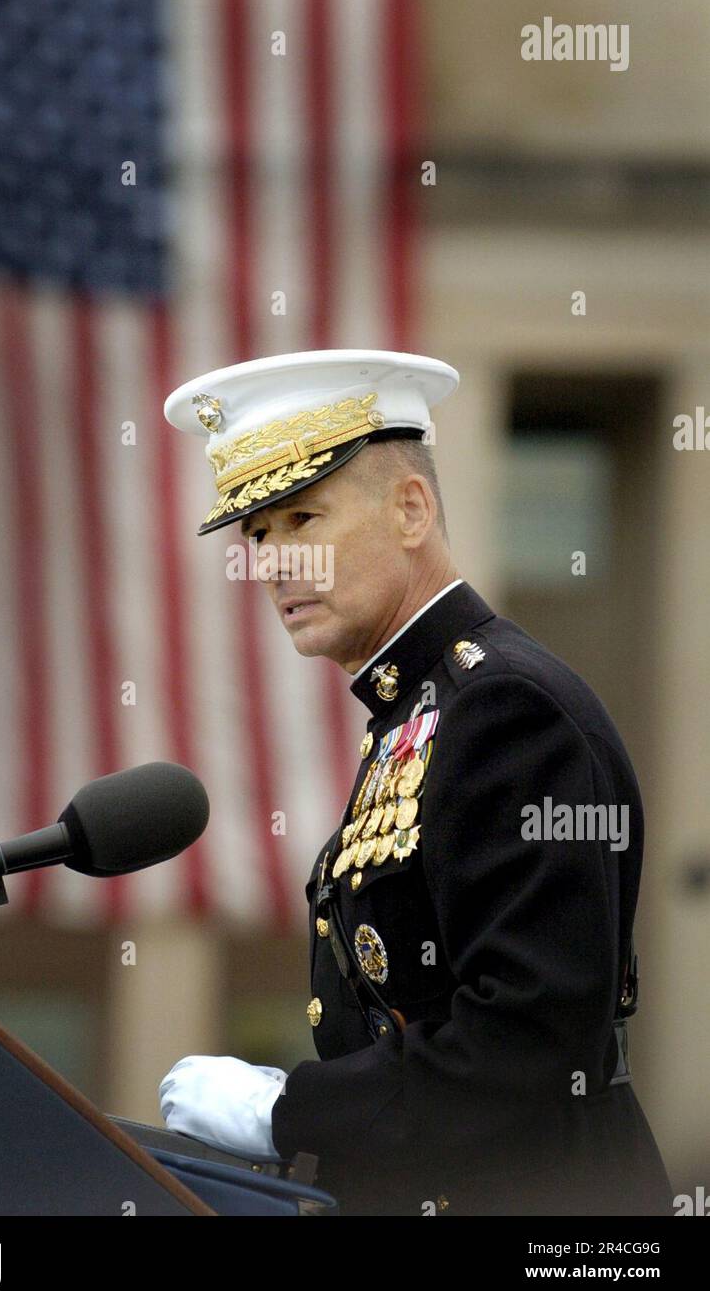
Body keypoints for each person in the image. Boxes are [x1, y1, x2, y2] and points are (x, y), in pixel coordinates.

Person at [158, 349, 673, 1216]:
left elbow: (524, 1044)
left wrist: (286, 1112)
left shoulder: (505, 710)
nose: (276, 563)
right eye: (258, 534)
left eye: (304, 518)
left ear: (411, 508)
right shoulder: (422, 710)